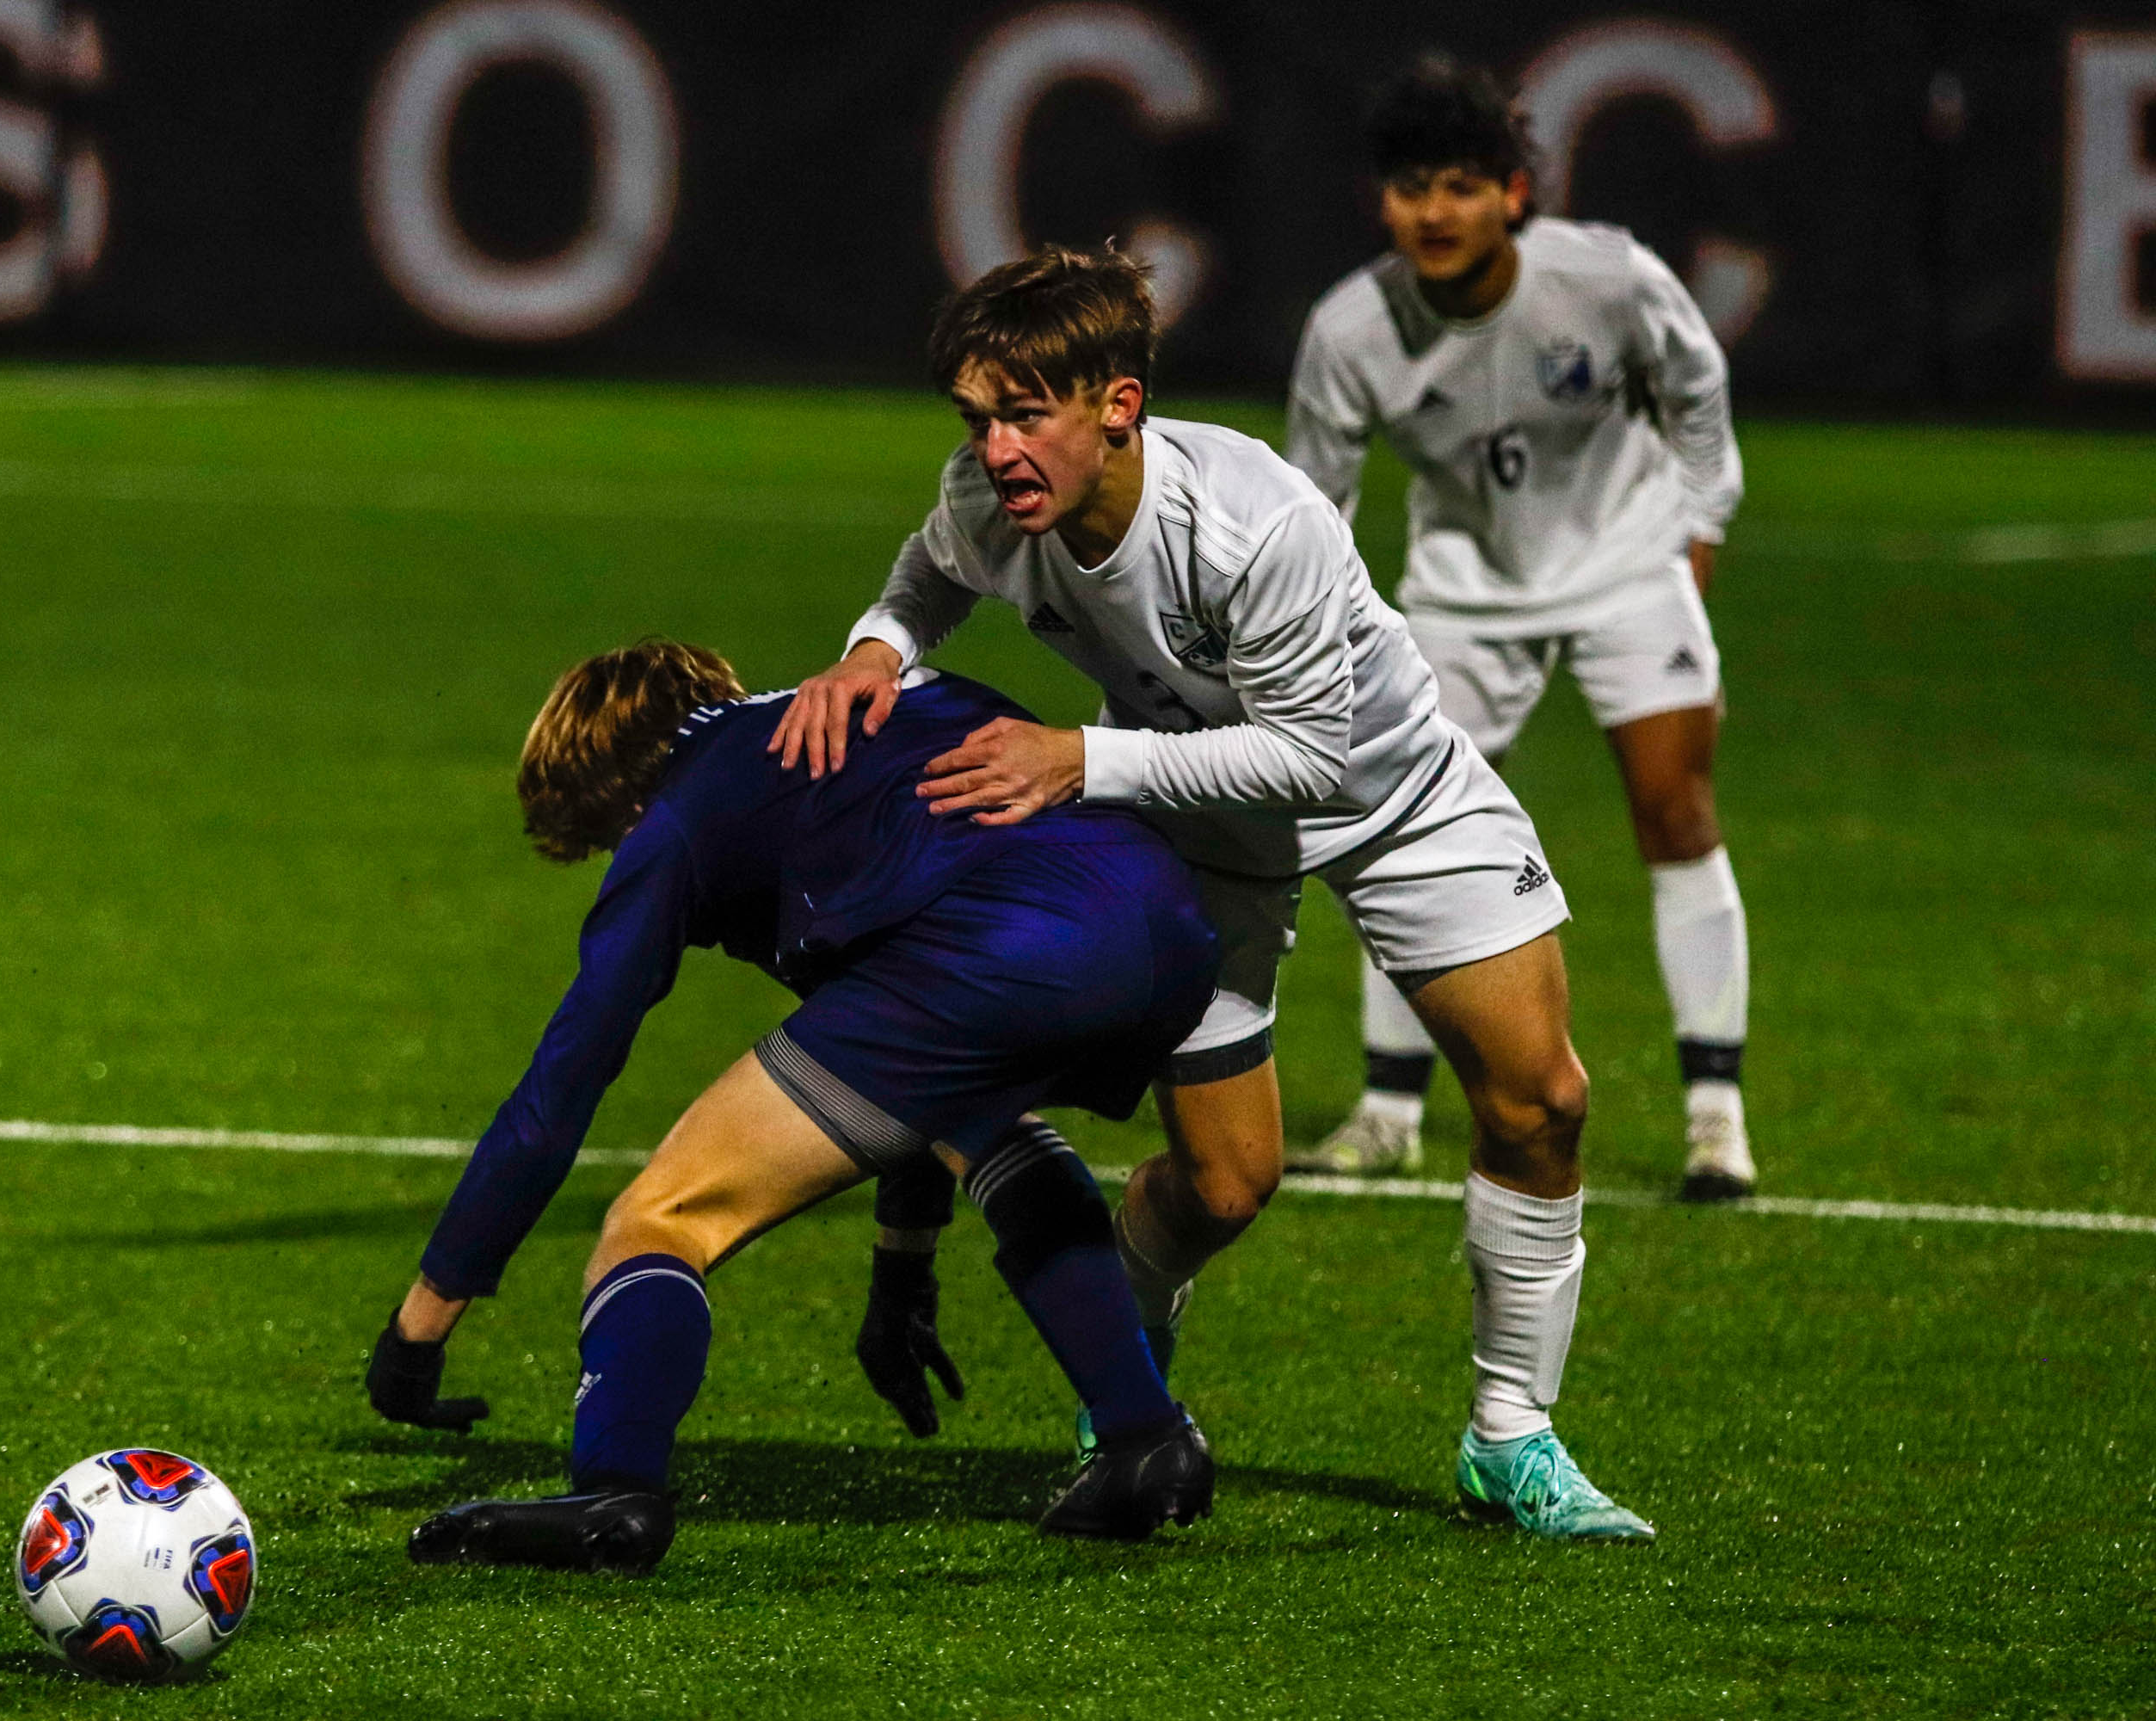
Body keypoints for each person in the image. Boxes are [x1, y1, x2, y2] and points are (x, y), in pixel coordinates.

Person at [772, 246, 1653, 1539]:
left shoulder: (1254, 525)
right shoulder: (985, 498)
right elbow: (930, 572)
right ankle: (1128, 1392)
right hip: (1199, 821)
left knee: (1542, 1100)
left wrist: (1080, 760)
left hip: (1393, 793)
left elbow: (1314, 756)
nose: (996, 449)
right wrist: (875, 649)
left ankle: (1511, 1436)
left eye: (1026, 415)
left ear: (1117, 408)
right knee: (1227, 1186)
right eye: (977, 418)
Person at [367, 640, 1222, 1573]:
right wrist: (903, 1270)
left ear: (621, 795)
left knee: (659, 1218)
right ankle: (1144, 1436)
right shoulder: (840, 730)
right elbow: (927, 1079)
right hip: (1168, 925)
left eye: (607, 840)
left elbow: (559, 1088)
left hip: (1012, 943)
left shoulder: (677, 818)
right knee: (983, 1121)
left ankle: (613, 1486)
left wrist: (422, 1324)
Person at [1284, 55, 1754, 1202]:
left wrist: (1696, 537)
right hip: (1462, 593)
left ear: (1513, 194)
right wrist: (1330, 641)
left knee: (1675, 805)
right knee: (1401, 830)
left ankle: (1714, 1119)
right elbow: (1312, 511)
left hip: (1629, 566)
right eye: (1408, 187)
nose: (1431, 212)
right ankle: (1390, 1110)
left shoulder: (1606, 278)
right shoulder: (1351, 331)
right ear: (1381, 201)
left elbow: (1698, 395)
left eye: (1458, 185)